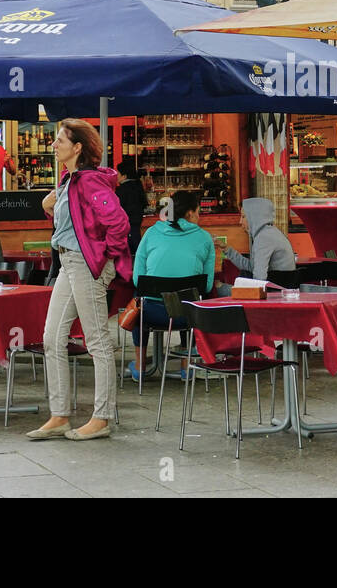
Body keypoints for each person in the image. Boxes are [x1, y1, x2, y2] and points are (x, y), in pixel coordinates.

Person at [26, 119, 131, 441]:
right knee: (51, 339)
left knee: (97, 341)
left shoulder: (89, 182)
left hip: (86, 266)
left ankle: (102, 418)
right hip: (68, 263)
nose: (54, 145)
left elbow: (119, 223)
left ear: (77, 147)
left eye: (60, 140)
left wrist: (104, 259)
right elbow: (73, 223)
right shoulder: (69, 181)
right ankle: (59, 415)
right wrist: (49, 206)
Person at [128, 190, 217, 380]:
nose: (199, 217)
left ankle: (140, 365)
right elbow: (207, 286)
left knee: (139, 299)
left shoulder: (151, 233)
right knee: (192, 299)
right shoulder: (205, 238)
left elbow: (138, 279)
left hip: (150, 313)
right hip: (187, 316)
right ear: (190, 213)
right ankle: (187, 366)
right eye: (199, 212)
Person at [221, 197, 296, 279]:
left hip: (277, 290)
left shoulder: (264, 237)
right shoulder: (267, 232)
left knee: (220, 287)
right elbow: (252, 267)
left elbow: (259, 279)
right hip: (281, 287)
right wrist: (227, 249)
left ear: (254, 217)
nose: (240, 221)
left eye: (243, 217)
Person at [115, 158, 147, 256]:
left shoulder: (122, 190)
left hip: (125, 227)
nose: (116, 176)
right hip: (137, 225)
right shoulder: (138, 186)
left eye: (118, 174)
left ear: (124, 176)